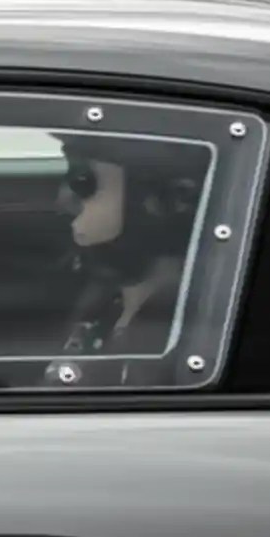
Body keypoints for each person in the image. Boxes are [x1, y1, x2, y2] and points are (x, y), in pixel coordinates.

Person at [47, 133, 209, 385]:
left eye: (83, 181)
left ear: (164, 201)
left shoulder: (180, 335)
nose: (63, 200)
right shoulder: (99, 300)